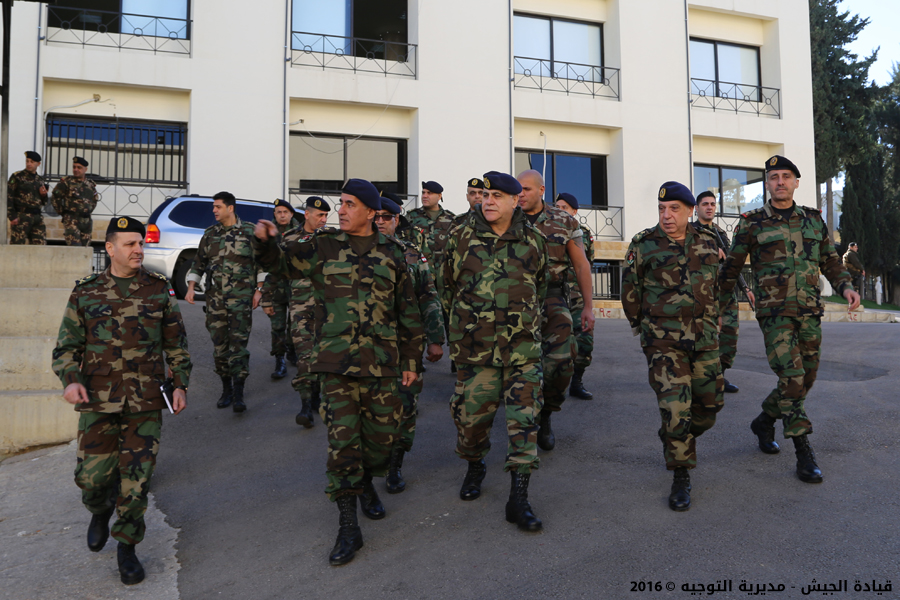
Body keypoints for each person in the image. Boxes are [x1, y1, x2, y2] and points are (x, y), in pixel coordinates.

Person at [253, 178, 424, 566]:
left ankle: (365, 481)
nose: (341, 210)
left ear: (370, 212)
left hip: (382, 364)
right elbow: (281, 265)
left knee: (381, 440)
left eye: (349, 204)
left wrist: (412, 361)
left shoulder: (393, 253)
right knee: (343, 445)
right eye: (340, 203)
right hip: (336, 363)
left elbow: (408, 312)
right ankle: (348, 526)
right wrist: (265, 243)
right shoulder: (324, 246)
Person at [52, 216, 191, 586]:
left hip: (145, 402)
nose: (138, 250)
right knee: (91, 479)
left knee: (137, 481)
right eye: (130, 244)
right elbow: (66, 348)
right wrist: (70, 380)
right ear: (110, 248)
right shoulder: (86, 292)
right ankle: (99, 509)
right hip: (98, 401)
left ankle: (127, 548)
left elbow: (177, 344)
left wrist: (180, 385)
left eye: (141, 243)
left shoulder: (158, 289)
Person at [721, 155, 859, 484]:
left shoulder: (812, 220)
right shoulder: (752, 222)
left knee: (805, 379)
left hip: (809, 311)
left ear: (796, 182)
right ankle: (803, 450)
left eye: (785, 176)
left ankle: (764, 420)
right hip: (774, 313)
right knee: (793, 377)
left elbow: (829, 260)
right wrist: (714, 307)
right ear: (767, 184)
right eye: (773, 177)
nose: (780, 181)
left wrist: (846, 286)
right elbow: (731, 269)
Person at [443, 170, 549, 532]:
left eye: (496, 196)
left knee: (525, 423)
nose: (487, 201)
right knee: (470, 423)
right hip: (476, 352)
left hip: (523, 352)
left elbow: (540, 286)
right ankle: (475, 464)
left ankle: (519, 498)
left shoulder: (534, 240)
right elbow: (446, 287)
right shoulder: (460, 236)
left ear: (515, 201)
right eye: (485, 195)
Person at [621, 182, 724, 511]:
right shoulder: (644, 244)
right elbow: (630, 290)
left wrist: (717, 319)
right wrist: (643, 329)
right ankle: (681, 473)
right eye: (662, 209)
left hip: (704, 338)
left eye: (674, 209)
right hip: (663, 342)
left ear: (690, 211)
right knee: (676, 409)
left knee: (710, 407)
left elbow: (716, 286)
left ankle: (673, 435)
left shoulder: (708, 241)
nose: (666, 215)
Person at [517, 171, 595, 451]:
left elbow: (581, 265)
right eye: (517, 190)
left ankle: (546, 413)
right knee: (517, 368)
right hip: (513, 301)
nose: (521, 194)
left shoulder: (564, 221)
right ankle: (521, 431)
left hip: (552, 298)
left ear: (541, 190)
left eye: (526, 189)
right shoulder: (505, 218)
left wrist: (588, 307)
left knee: (561, 363)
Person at [374, 195, 444, 493]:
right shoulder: (351, 253)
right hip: (364, 348)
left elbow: (428, 296)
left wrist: (436, 339)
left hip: (404, 347)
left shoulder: (412, 255)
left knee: (404, 407)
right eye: (376, 216)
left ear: (396, 220)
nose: (380, 222)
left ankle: (394, 465)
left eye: (386, 217)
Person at [186, 191, 263, 413]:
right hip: (215, 300)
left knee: (238, 345)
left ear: (230, 208)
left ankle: (238, 392)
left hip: (241, 299)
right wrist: (191, 287)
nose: (214, 210)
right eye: (214, 207)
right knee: (220, 346)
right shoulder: (210, 234)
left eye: (218, 207)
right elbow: (199, 262)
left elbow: (261, 263)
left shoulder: (250, 232)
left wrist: (259, 290)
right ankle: (226, 389)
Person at [693, 190, 755, 394]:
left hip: (726, 293)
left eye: (712, 204)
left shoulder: (720, 232)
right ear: (696, 208)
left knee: (729, 337)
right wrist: (710, 251)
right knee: (705, 337)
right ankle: (701, 378)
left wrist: (746, 288)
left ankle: (719, 375)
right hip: (704, 293)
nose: (709, 207)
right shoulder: (690, 232)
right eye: (705, 204)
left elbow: (731, 264)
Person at [286, 196, 331, 427]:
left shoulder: (331, 239)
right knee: (304, 355)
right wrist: (266, 296)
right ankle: (305, 405)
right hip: (300, 306)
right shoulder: (290, 238)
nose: (324, 219)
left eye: (326, 216)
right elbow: (277, 270)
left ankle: (316, 397)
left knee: (322, 355)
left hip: (327, 307)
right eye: (320, 215)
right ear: (307, 214)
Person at [553, 192, 596, 400]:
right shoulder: (547, 230)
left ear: (575, 211)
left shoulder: (584, 235)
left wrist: (588, 303)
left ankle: (577, 381)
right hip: (555, 297)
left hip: (577, 297)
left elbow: (587, 264)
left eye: (565, 208)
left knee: (585, 341)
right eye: (557, 207)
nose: (560, 211)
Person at [406, 180, 456, 342]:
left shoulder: (451, 219)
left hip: (444, 278)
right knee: (419, 317)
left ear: (439, 196)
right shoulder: (412, 217)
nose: (425, 196)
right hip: (421, 276)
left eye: (430, 193)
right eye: (423, 192)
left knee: (450, 317)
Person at [260, 199, 300, 380]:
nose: (282, 215)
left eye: (285, 212)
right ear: (274, 214)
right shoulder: (268, 233)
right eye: (278, 212)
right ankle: (279, 360)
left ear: (291, 214)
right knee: (277, 327)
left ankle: (292, 351)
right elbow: (262, 265)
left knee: (295, 325)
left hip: (296, 289)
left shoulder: (300, 232)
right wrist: (263, 294)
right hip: (275, 288)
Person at [51, 156, 98, 247]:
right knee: (75, 247)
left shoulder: (90, 185)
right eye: (74, 167)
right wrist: (62, 212)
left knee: (85, 249)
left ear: (85, 169)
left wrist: (88, 210)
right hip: (72, 220)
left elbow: (94, 200)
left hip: (86, 221)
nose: (76, 170)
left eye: (79, 167)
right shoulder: (66, 182)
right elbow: (55, 197)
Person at [7, 151, 48, 245]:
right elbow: (9, 196)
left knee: (40, 245)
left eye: (32, 162)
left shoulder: (39, 180)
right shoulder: (17, 177)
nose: (29, 164)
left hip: (37, 217)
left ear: (38, 164)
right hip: (22, 216)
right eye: (27, 161)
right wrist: (12, 216)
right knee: (17, 245)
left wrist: (43, 195)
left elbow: (44, 202)